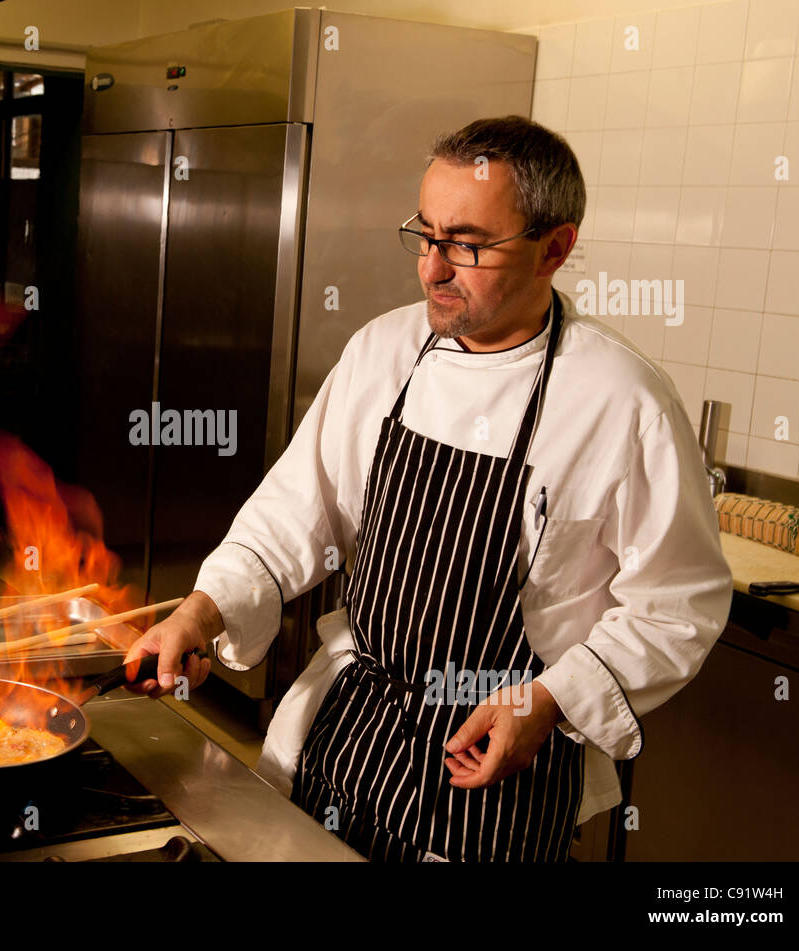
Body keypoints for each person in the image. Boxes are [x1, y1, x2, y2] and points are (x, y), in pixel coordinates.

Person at [123, 115, 733, 862]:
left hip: (493, 765)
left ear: (556, 248)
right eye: (426, 233)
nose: (433, 268)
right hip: (349, 737)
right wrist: (199, 609)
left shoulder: (624, 403)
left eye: (468, 244)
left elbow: (679, 604)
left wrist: (548, 702)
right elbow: (292, 513)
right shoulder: (382, 350)